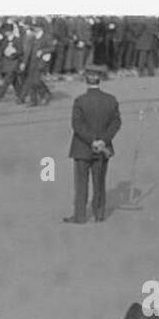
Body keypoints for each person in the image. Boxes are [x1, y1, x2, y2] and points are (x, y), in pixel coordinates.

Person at [64, 66, 119, 225]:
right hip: (103, 148)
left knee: (81, 184)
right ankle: (99, 214)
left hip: (82, 148)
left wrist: (92, 140)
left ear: (86, 81)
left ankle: (80, 216)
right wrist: (103, 140)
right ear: (99, 80)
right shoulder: (110, 100)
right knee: (99, 181)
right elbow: (116, 123)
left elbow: (77, 124)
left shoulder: (80, 101)